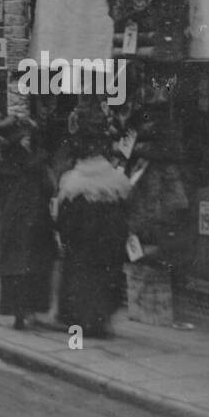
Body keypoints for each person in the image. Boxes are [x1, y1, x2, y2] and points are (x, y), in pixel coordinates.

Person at [55, 104, 131, 338]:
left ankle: (83, 320)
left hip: (82, 241)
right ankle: (100, 321)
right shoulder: (116, 182)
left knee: (82, 277)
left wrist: (66, 237)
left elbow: (65, 219)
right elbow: (123, 215)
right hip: (106, 242)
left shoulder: (73, 181)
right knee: (102, 278)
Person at [0, 115, 56, 329]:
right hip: (36, 219)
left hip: (10, 221)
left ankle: (17, 312)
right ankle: (33, 310)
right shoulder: (36, 163)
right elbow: (49, 189)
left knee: (13, 264)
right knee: (34, 264)